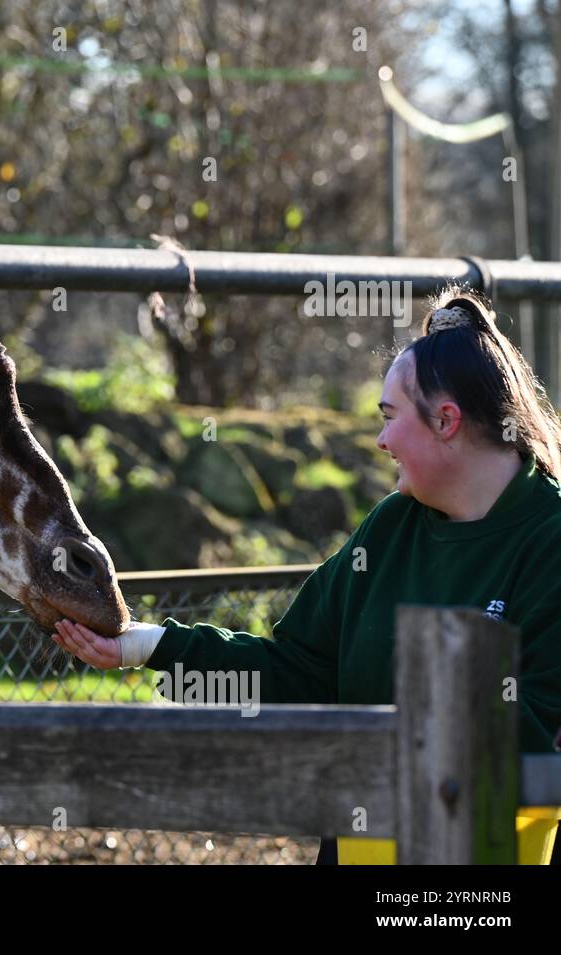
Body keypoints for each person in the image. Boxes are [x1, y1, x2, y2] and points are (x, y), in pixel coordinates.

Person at [53, 286, 561, 865]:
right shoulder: (391, 528)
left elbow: (539, 737)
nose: (380, 440)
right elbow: (298, 671)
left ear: (446, 421)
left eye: (390, 419)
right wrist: (147, 646)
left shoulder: (550, 540)